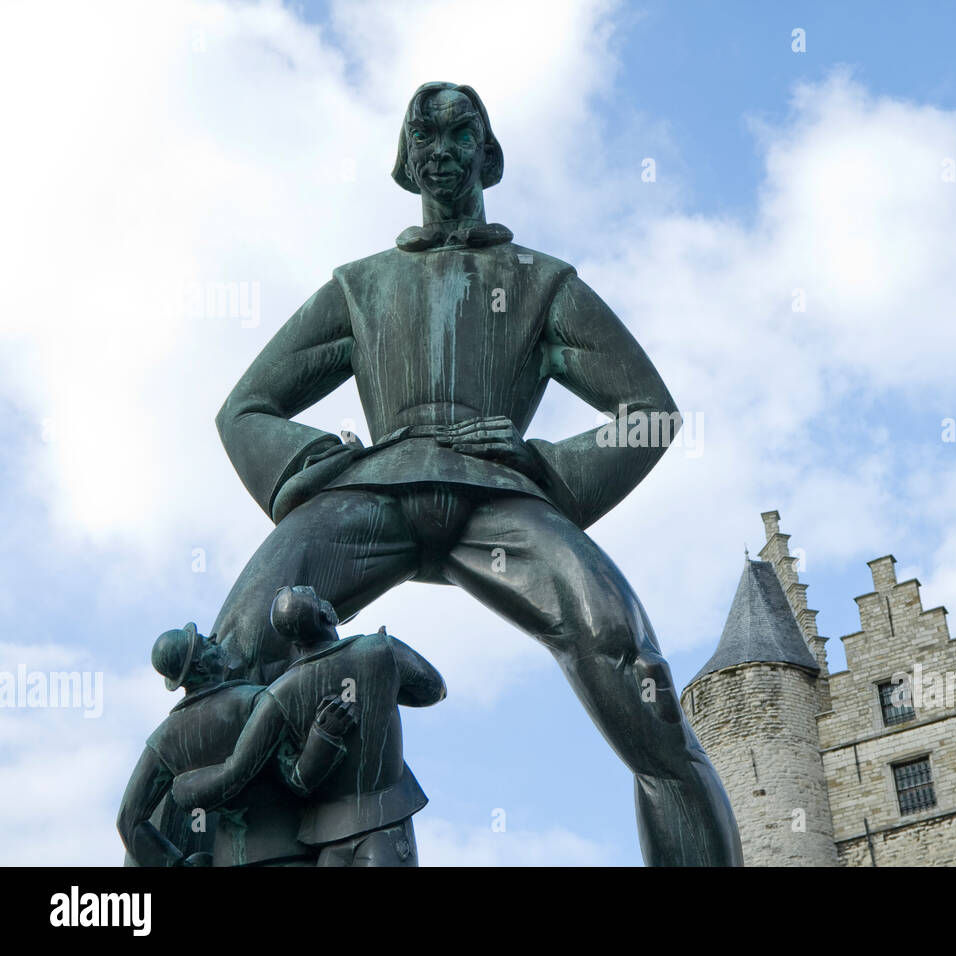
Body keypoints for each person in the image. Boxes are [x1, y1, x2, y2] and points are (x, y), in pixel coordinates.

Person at [207, 82, 742, 866]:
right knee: (236, 653)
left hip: (500, 498)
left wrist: (546, 465)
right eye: (423, 135)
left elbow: (649, 411)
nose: (441, 150)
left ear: (486, 153)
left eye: (460, 133)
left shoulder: (540, 280)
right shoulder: (360, 286)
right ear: (406, 159)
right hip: (374, 494)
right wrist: (321, 463)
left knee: (630, 660)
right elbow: (246, 408)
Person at [173, 586, 445, 866]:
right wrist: (384, 682)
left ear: (291, 640)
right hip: (385, 822)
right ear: (327, 613)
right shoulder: (381, 650)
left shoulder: (279, 694)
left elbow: (295, 781)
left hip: (328, 839)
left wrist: (322, 737)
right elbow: (434, 690)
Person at [117, 622, 352, 866]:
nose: (214, 638)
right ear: (199, 664)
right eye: (204, 642)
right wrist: (326, 735)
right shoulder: (257, 701)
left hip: (228, 859)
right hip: (291, 850)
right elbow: (301, 780)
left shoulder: (163, 739)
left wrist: (176, 865)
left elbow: (128, 821)